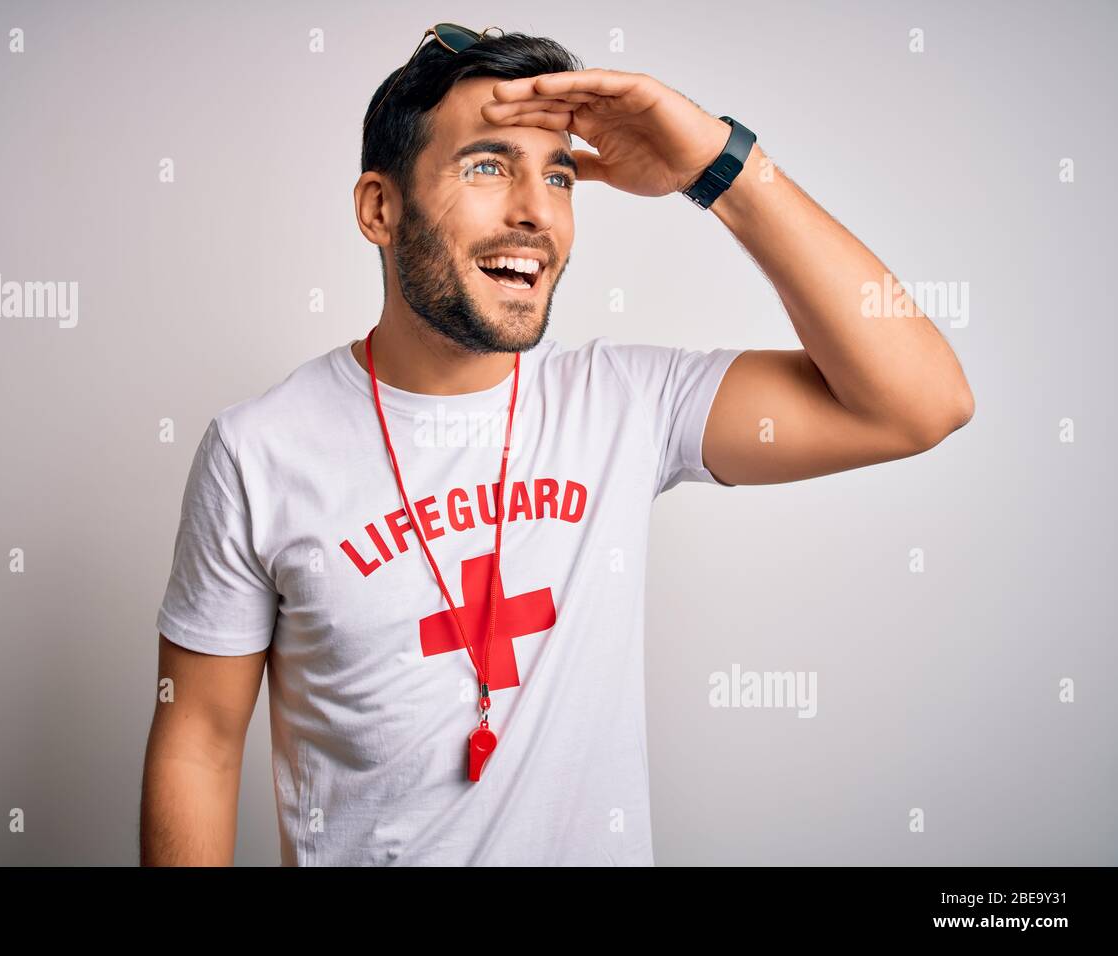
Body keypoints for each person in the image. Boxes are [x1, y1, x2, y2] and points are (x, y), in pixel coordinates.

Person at [139, 29, 973, 866]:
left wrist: (720, 171)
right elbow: (200, 745)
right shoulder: (259, 453)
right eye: (488, 166)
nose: (536, 210)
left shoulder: (623, 404)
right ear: (379, 209)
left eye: (560, 175)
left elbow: (919, 404)